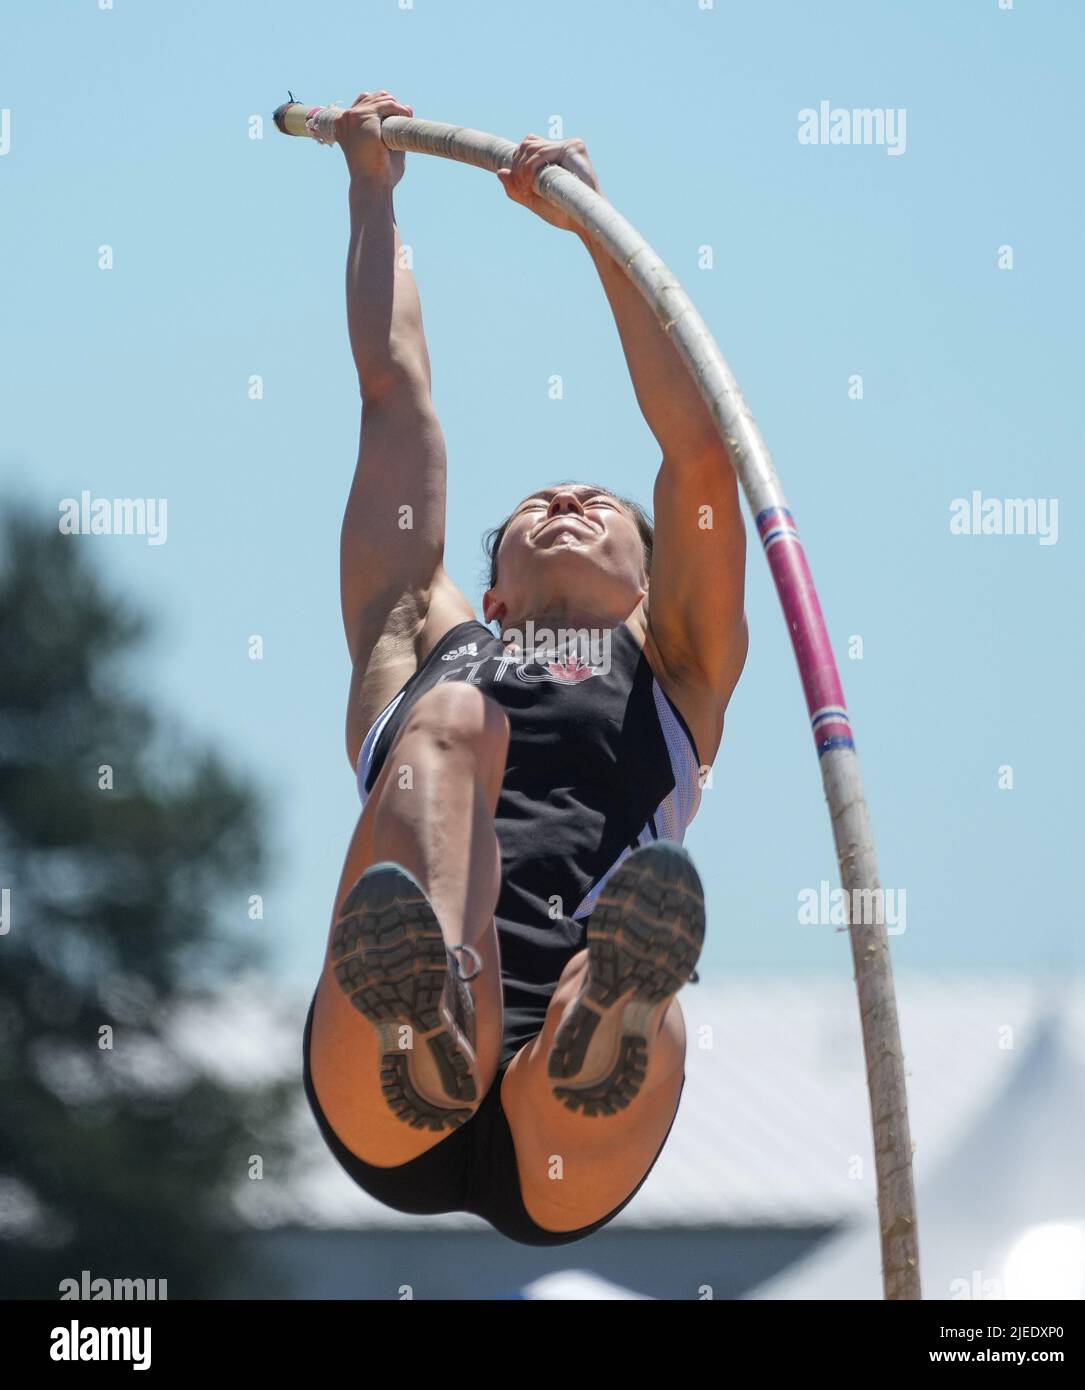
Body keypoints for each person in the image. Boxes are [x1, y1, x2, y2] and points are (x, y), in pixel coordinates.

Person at [302, 91, 749, 1247]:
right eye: (535, 505)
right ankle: (437, 1010)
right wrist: (371, 188)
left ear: (647, 588)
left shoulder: (676, 665)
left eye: (597, 503)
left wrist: (597, 229)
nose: (563, 499)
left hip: (569, 1129)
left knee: (619, 1014)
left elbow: (699, 453)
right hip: (390, 1081)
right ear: (487, 588)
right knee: (451, 715)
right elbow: (393, 395)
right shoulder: (423, 635)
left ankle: (606, 1008)